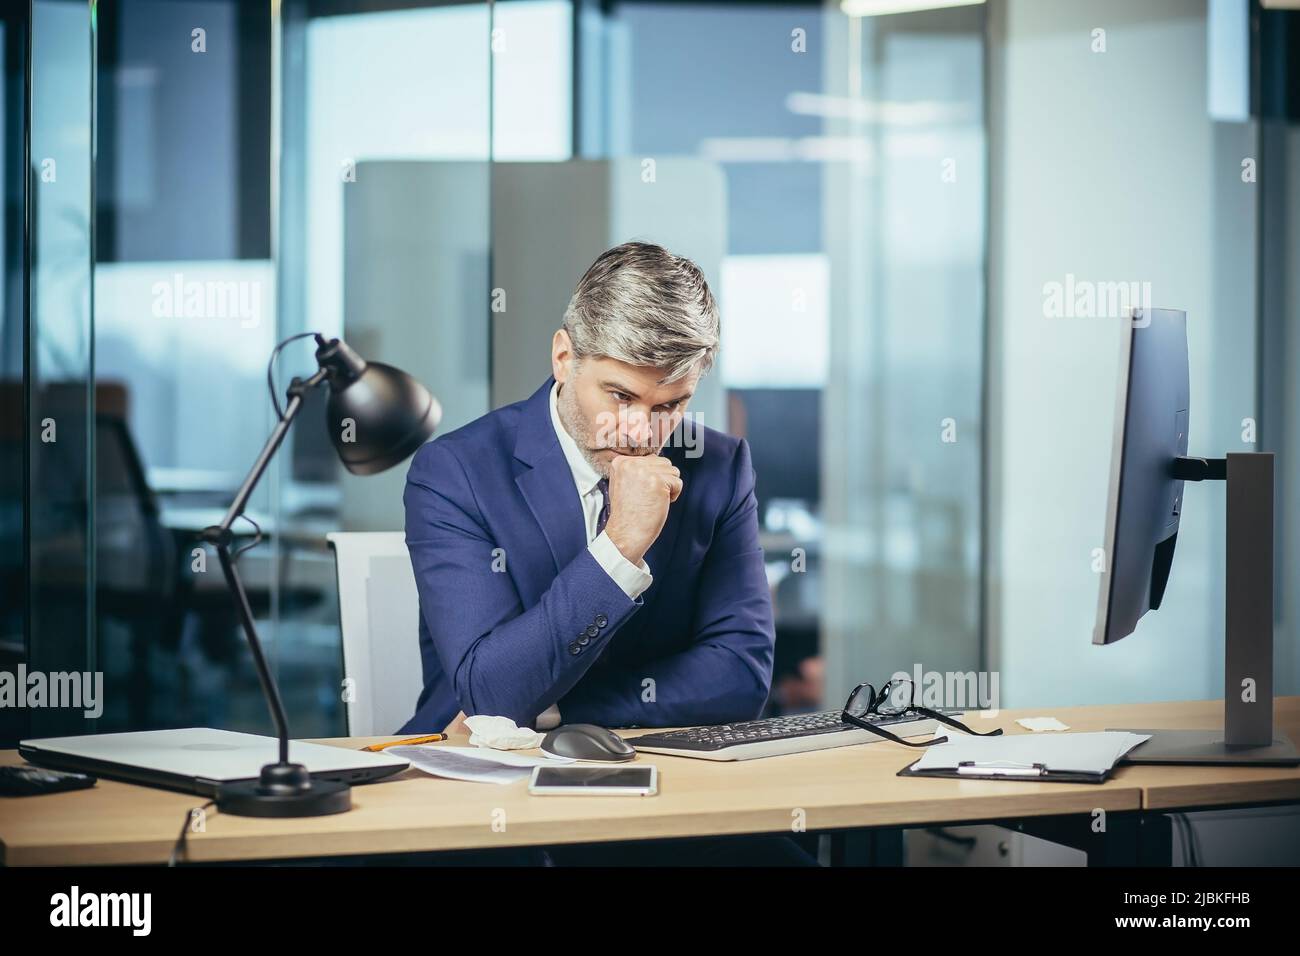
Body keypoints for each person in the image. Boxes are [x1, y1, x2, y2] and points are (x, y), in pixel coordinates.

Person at [399, 240, 816, 866]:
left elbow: (741, 674)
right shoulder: (457, 471)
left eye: (669, 405)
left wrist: (560, 710)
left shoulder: (721, 468)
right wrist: (622, 545)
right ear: (564, 357)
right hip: (483, 792)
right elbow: (491, 693)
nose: (641, 432)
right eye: (620, 396)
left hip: (663, 787)